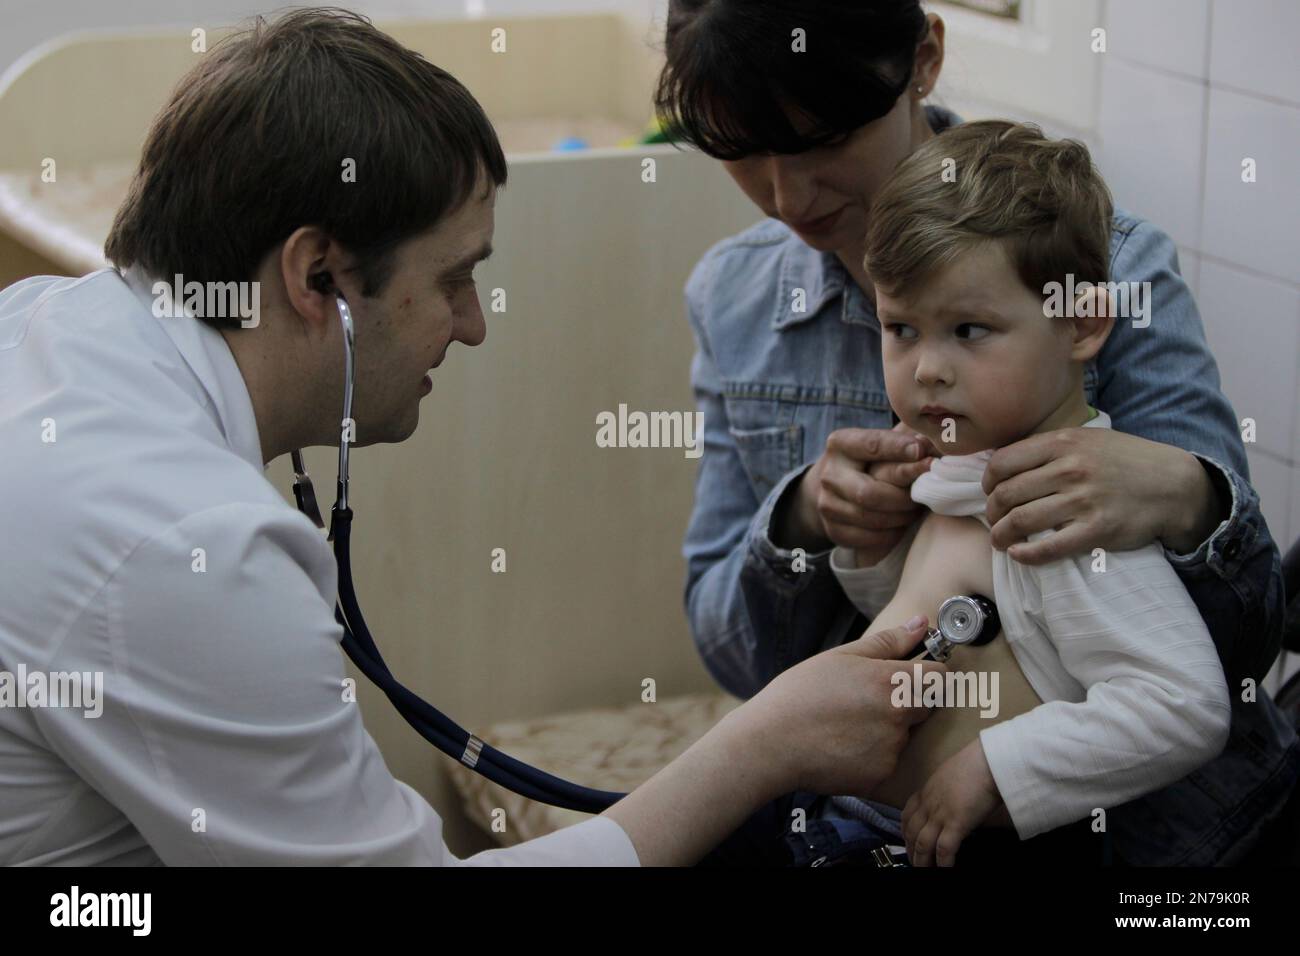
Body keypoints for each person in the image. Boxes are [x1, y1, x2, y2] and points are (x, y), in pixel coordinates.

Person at [0, 7, 942, 867]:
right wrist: (761, 746)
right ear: (317, 275)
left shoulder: (47, 325)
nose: (475, 323)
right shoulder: (183, 548)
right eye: (454, 278)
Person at [659, 0, 1298, 864]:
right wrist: (809, 520)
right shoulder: (732, 300)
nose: (786, 194)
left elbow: (1234, 658)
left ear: (924, 58)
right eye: (742, 151)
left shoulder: (1107, 266)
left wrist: (1188, 498)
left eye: (823, 140)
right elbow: (736, 657)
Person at [830, 120, 1232, 867]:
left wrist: (995, 770)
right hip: (865, 823)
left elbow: (1185, 706)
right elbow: (922, 623)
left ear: (1080, 322)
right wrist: (866, 547)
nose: (926, 370)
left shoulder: (1064, 519)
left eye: (968, 329)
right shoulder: (963, 470)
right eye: (901, 329)